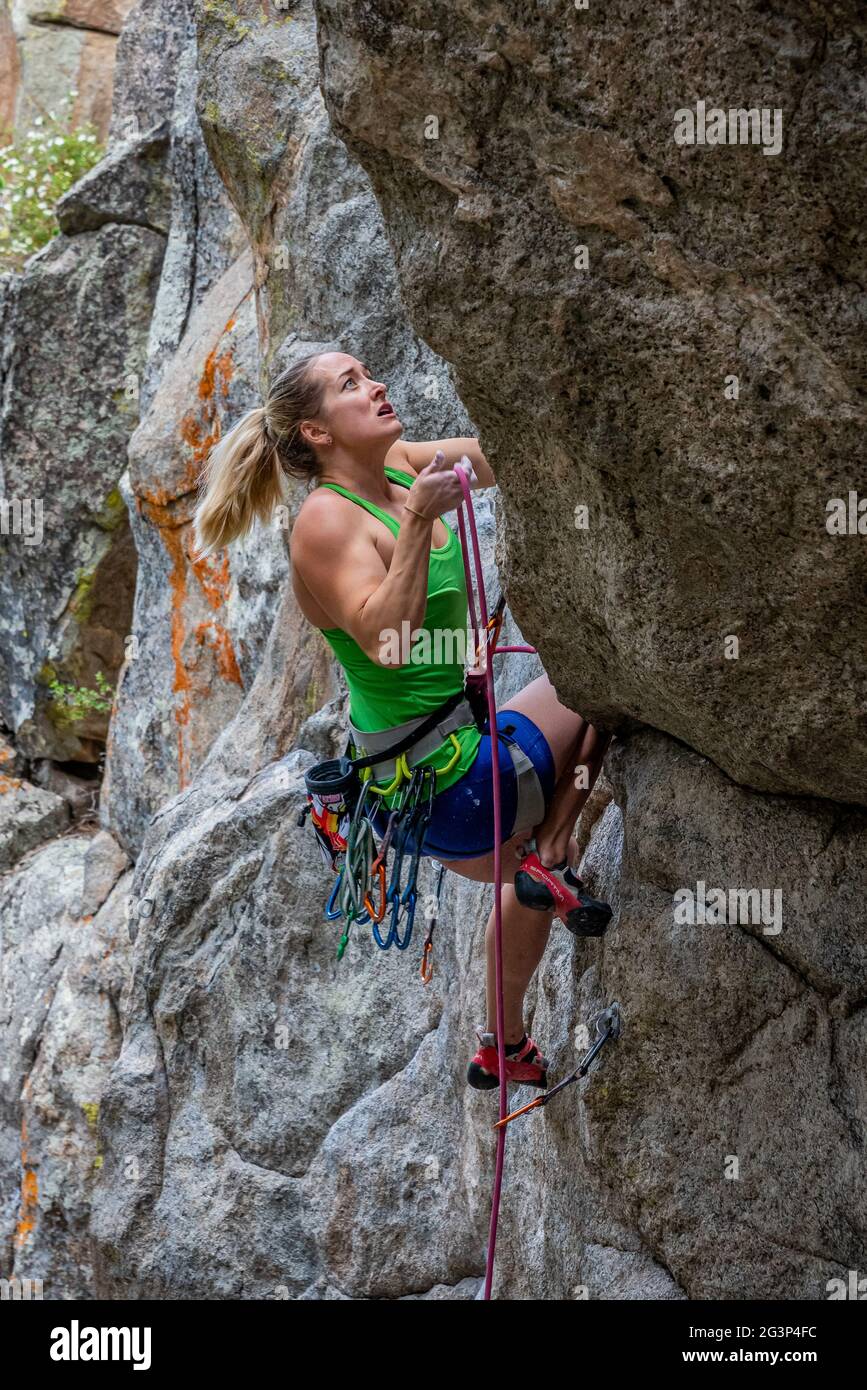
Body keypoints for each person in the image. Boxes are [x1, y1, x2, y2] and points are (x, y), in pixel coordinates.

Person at [193, 349, 613, 1092]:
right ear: (317, 433)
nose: (376, 385)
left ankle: (503, 1041)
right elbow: (387, 647)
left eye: (366, 373)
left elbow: (501, 458)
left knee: (524, 883)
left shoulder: (397, 467)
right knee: (603, 679)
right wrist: (418, 518)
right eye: (349, 385)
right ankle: (549, 843)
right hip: (449, 789)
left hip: (436, 779)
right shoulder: (325, 524)